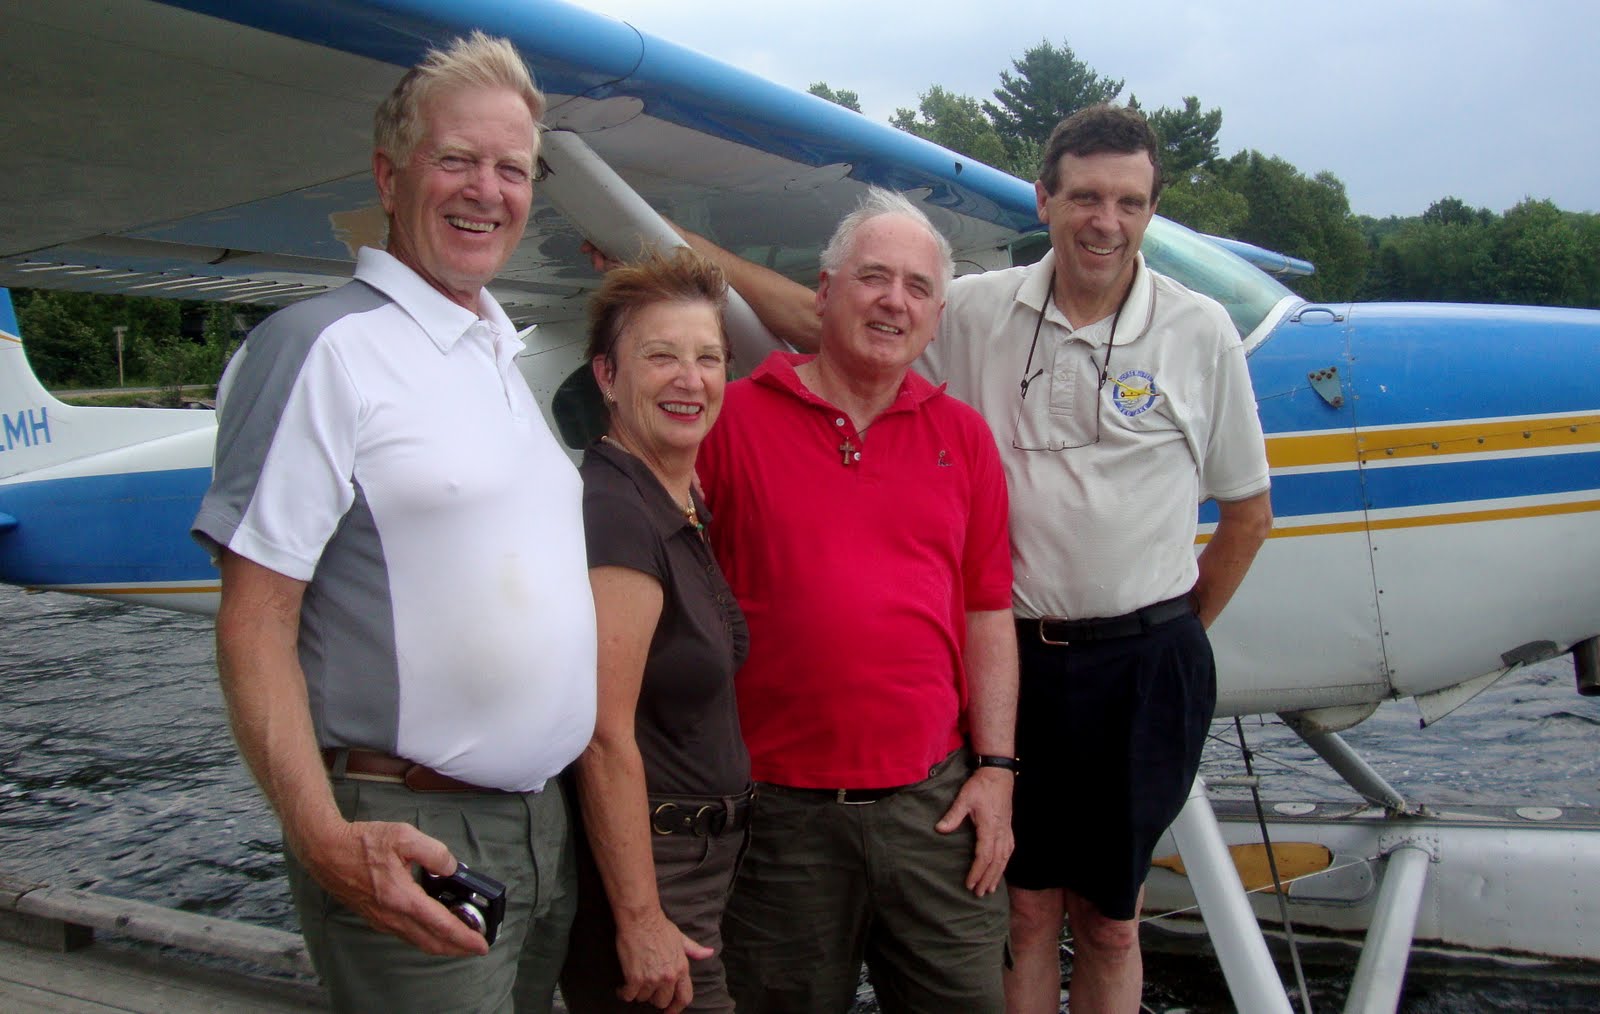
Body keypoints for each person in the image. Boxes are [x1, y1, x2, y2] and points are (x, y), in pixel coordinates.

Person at [677, 105, 1273, 1013]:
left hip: (1145, 662)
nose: (1106, 221)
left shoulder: (1201, 331)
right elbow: (836, 318)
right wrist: (682, 251)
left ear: (1152, 211)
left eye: (1130, 202)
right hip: (1018, 658)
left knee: (1112, 923)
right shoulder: (973, 308)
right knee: (1023, 911)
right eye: (1085, 197)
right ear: (1044, 200)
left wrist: (1174, 632)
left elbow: (1248, 514)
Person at [191, 33, 596, 1013]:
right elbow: (254, 623)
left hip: (543, 826)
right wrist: (325, 840)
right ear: (389, 175)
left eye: (511, 169)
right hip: (414, 825)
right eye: (455, 159)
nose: (486, 190)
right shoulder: (324, 347)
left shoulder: (492, 355)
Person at [693, 189, 1020, 1013]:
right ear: (825, 291)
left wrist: (997, 771)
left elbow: (988, 613)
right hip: (776, 822)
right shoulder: (728, 422)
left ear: (935, 319)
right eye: (873, 277)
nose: (893, 301)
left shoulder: (965, 439)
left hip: (935, 812)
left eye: (917, 287)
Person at [558, 249, 751, 1014]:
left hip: (704, 864)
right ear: (607, 377)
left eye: (708, 358)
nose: (689, 379)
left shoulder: (672, 500)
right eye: (661, 356)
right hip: (659, 876)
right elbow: (603, 737)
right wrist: (640, 920)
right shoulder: (616, 514)